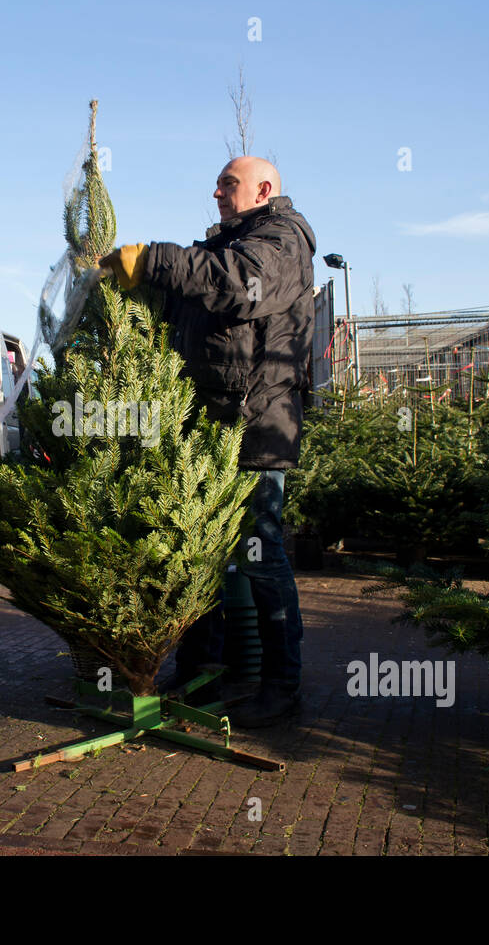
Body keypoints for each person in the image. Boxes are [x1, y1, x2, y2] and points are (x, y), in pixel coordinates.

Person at [98, 155, 316, 727]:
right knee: (203, 552)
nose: (216, 192)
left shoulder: (282, 242)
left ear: (264, 189)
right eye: (218, 183)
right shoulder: (229, 244)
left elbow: (233, 287)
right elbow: (193, 305)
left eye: (229, 183)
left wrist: (153, 259)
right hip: (211, 421)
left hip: (256, 425)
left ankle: (282, 684)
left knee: (261, 555)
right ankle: (202, 672)